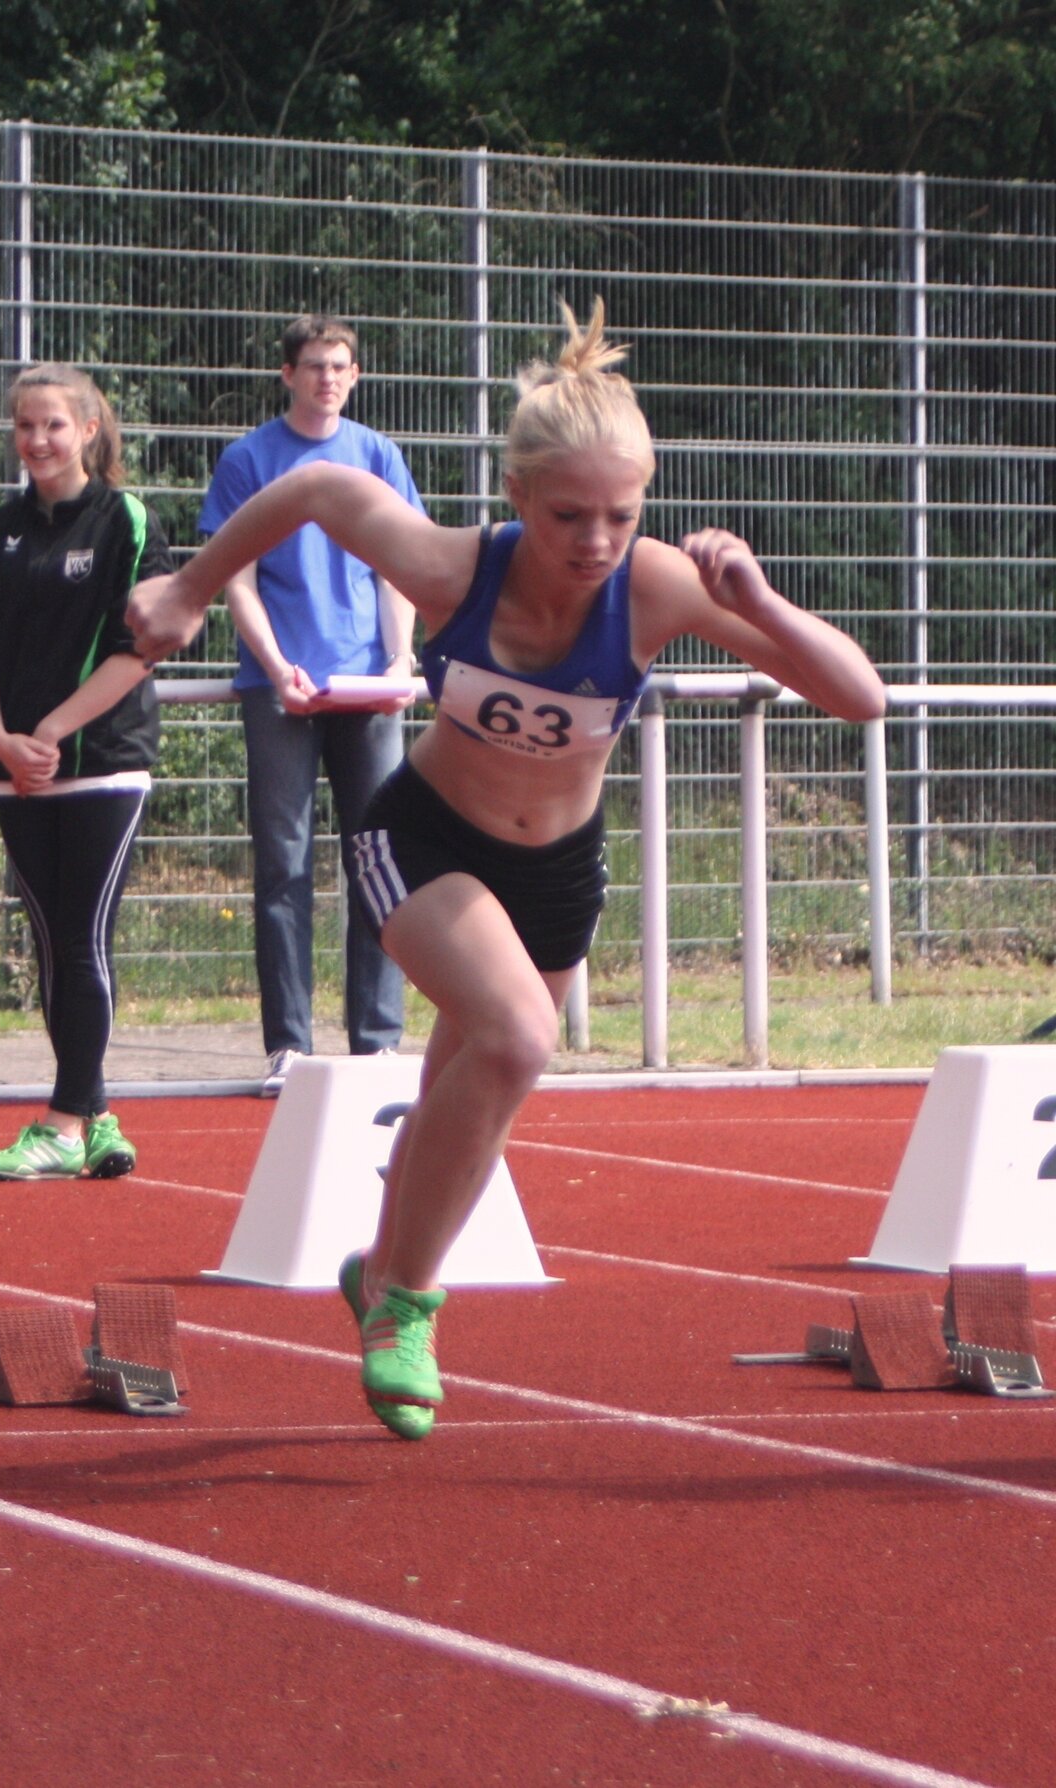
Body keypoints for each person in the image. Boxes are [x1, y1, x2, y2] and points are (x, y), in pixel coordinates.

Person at [128, 301, 885, 1438]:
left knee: (470, 1092)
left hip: (556, 877)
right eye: (569, 515)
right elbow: (316, 490)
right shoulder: (453, 569)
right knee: (520, 1037)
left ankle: (376, 1265)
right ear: (518, 496)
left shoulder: (657, 587)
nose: (595, 542)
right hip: (426, 838)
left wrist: (757, 601)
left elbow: (860, 698)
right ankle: (408, 1302)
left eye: (621, 516)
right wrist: (190, 589)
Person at [0, 364, 173, 1180]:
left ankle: (63, 1122)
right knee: (53, 944)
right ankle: (96, 1113)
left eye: (53, 425)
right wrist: (4, 739)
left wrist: (51, 729)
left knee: (82, 938)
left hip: (101, 766)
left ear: (87, 429)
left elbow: (139, 648)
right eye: (25, 426)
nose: (38, 440)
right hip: (17, 770)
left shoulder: (127, 520)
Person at [200, 316, 423, 1091]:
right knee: (283, 866)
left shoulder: (379, 455)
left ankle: (377, 1042)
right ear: (287, 375)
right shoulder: (248, 460)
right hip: (279, 690)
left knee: (380, 861)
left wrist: (399, 659)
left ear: (355, 376)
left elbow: (400, 566)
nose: (328, 377)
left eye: (340, 365)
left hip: (368, 689)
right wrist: (275, 666)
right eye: (314, 365)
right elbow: (235, 578)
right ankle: (288, 1046)